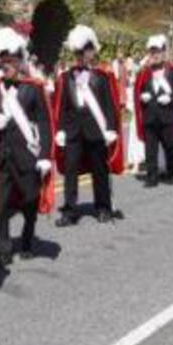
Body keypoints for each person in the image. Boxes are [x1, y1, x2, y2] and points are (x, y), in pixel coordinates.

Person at [0, 28, 55, 267]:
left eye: (11, 61)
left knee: (29, 200)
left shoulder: (33, 87)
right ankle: (3, 250)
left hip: (26, 154)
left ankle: (28, 235)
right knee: (0, 205)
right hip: (1, 155)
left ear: (19, 62)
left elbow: (45, 122)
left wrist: (45, 155)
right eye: (3, 61)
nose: (6, 65)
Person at [53, 25, 123, 225]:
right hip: (73, 130)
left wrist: (110, 129)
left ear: (92, 52)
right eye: (78, 52)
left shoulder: (102, 76)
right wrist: (60, 130)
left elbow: (109, 105)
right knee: (70, 172)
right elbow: (61, 106)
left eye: (86, 51)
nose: (82, 55)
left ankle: (103, 207)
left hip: (95, 130)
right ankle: (69, 211)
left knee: (99, 170)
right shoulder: (65, 77)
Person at [134, 34, 173, 187]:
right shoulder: (145, 73)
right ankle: (152, 177)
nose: (155, 55)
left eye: (157, 52)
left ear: (164, 53)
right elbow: (138, 91)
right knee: (150, 149)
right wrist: (142, 96)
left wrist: (171, 97)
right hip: (150, 116)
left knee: (169, 146)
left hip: (167, 117)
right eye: (152, 52)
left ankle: (171, 173)